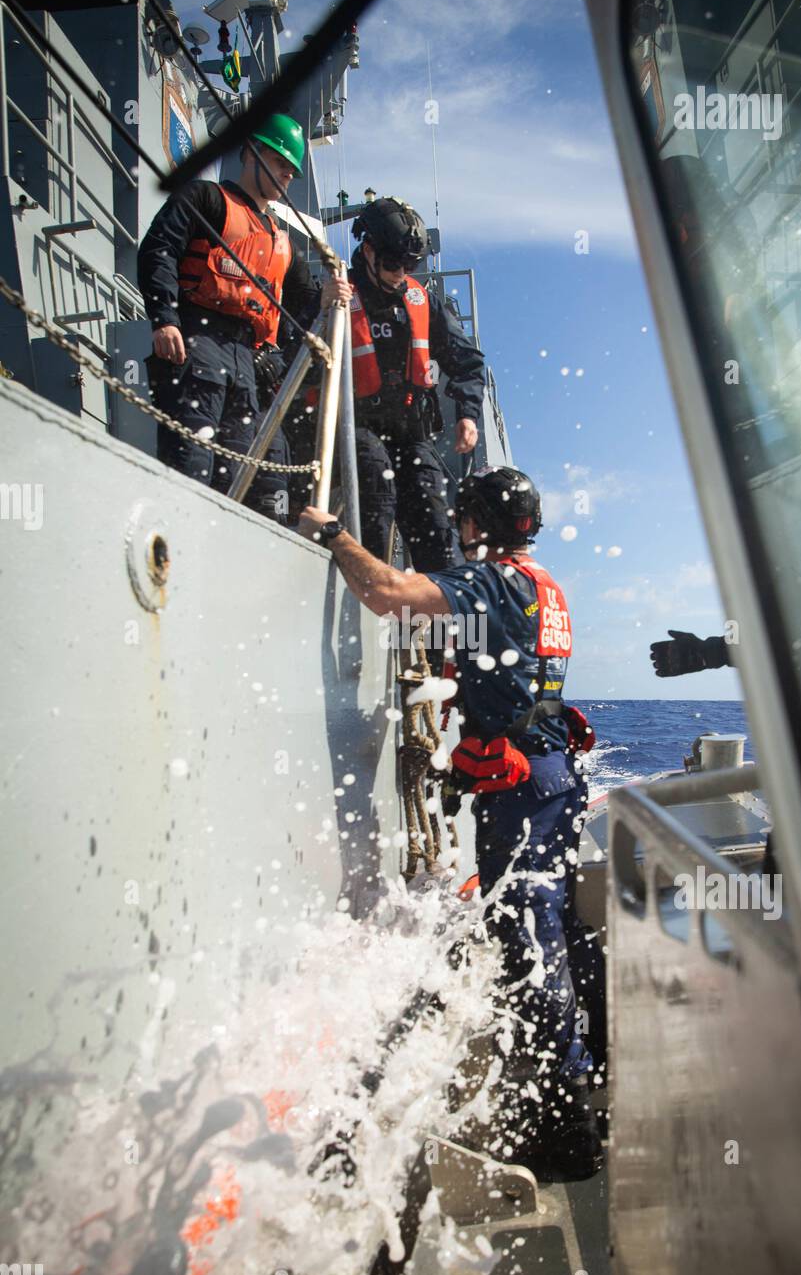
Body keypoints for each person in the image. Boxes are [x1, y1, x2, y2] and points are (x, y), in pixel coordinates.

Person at [297, 465, 604, 1179]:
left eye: (466, 519)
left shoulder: (495, 583)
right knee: (556, 929)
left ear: (483, 524)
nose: (460, 531)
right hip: (555, 780)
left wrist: (336, 535)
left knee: (533, 949)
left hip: (525, 790)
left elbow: (388, 596)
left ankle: (566, 1131)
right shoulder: (543, 585)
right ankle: (590, 1066)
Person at [137, 112, 325, 524]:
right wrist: (164, 317)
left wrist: (282, 352)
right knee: (191, 470)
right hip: (198, 348)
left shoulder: (284, 243)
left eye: (291, 170)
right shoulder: (206, 200)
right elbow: (160, 249)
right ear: (252, 153)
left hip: (253, 373)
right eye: (280, 163)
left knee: (263, 486)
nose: (287, 177)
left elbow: (306, 308)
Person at [314, 196, 487, 571]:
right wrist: (320, 307)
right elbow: (291, 344)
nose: (401, 272)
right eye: (394, 263)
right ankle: (368, 602)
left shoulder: (422, 302)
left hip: (410, 433)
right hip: (354, 427)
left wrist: (468, 415)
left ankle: (439, 623)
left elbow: (467, 362)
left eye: (411, 264)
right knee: (376, 489)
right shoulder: (337, 292)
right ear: (369, 249)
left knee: (435, 520)